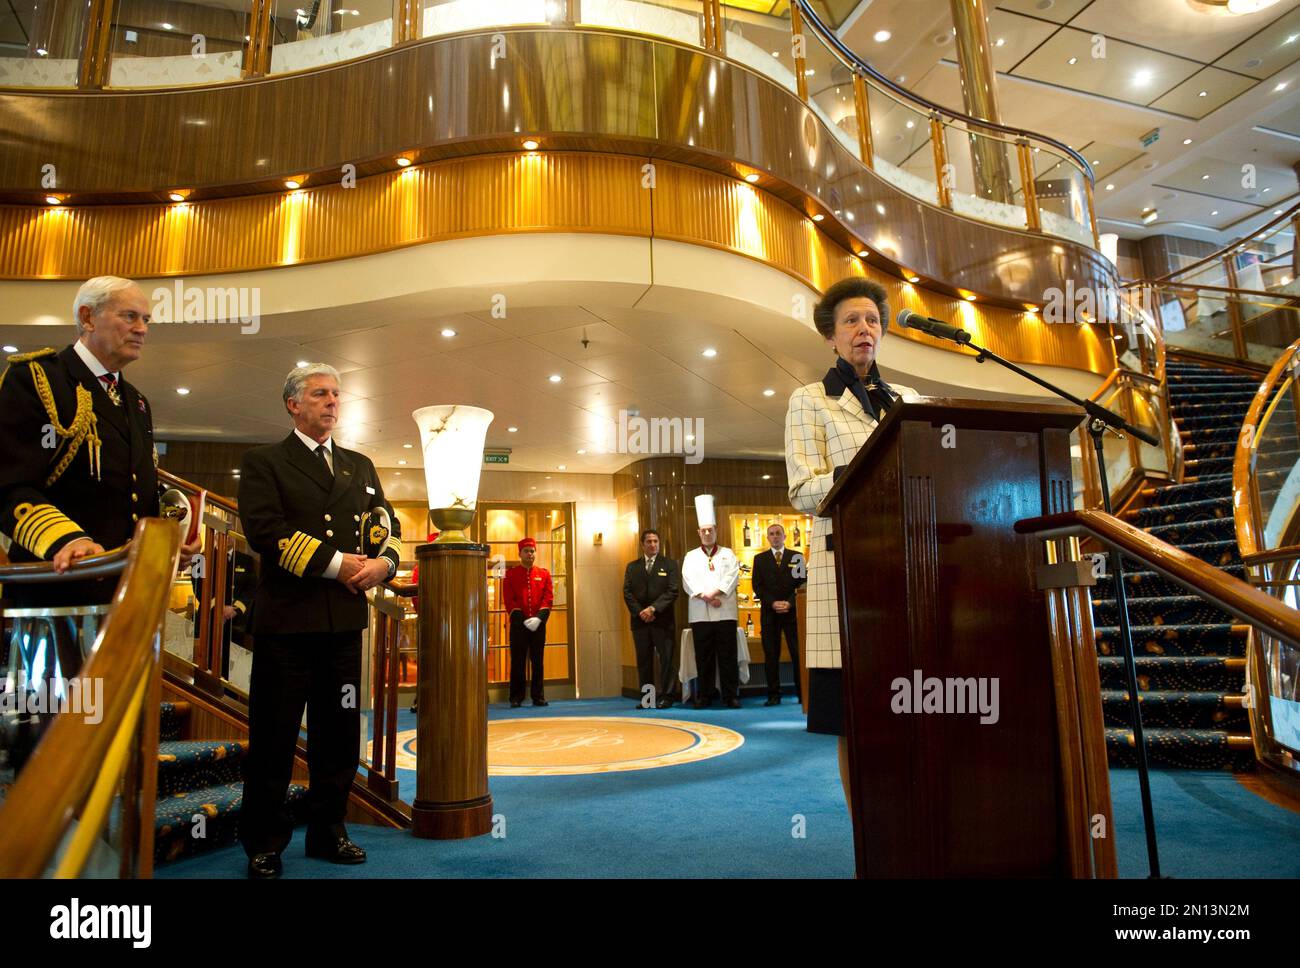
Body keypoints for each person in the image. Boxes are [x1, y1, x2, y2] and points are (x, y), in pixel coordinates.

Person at [236, 363, 401, 879]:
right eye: (319, 394)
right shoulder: (265, 461)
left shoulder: (359, 464)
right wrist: (339, 565)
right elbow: (265, 530)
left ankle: (329, 832)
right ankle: (264, 842)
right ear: (293, 404)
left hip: (343, 625)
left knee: (339, 737)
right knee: (274, 739)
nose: (332, 401)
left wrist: (384, 564)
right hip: (287, 625)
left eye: (336, 394)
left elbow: (388, 525)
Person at [785, 277, 916, 798]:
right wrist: (864, 472)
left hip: (906, 567)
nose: (865, 329)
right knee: (857, 722)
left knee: (906, 708)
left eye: (872, 320)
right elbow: (802, 491)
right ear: (831, 338)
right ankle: (869, 838)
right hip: (845, 576)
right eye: (851, 321)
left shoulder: (906, 399)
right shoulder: (809, 400)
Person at [0, 275, 200, 608]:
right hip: (58, 586)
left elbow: (135, 493)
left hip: (126, 592)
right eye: (130, 316)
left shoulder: (136, 401)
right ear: (88, 317)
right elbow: (9, 484)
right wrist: (66, 539)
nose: (142, 329)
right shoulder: (37, 378)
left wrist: (165, 546)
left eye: (146, 320)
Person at [680, 494, 741, 708]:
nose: (707, 533)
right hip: (700, 614)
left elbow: (731, 578)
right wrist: (706, 597)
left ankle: (730, 696)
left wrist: (715, 594)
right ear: (698, 533)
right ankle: (704, 696)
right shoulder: (691, 556)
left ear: (716, 531)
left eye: (710, 530)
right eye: (703, 530)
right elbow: (688, 580)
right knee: (703, 658)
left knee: (727, 657)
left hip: (725, 612)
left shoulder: (728, 554)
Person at [622, 528, 680, 709]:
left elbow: (673, 591)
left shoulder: (669, 565)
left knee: (667, 660)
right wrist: (641, 612)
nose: (653, 545)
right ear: (642, 545)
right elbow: (627, 592)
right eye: (649, 542)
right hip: (640, 622)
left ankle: (667, 696)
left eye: (656, 541)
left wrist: (653, 609)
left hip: (662, 620)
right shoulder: (632, 567)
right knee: (644, 661)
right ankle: (648, 698)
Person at [751, 522, 805, 706]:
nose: (775, 536)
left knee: (798, 653)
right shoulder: (759, 559)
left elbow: (801, 583)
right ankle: (774, 694)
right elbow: (757, 586)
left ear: (785, 536)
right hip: (769, 613)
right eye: (771, 534)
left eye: (778, 533)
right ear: (768, 538)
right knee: (771, 655)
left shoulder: (797, 557)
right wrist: (773, 603)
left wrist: (789, 602)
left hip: (792, 613)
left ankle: (802, 693)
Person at [502, 536, 553, 708]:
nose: (530, 554)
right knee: (518, 661)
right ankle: (516, 697)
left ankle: (538, 696)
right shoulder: (510, 575)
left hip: (538, 625)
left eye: (532, 551)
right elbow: (510, 600)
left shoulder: (544, 574)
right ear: (520, 553)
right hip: (519, 626)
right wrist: (523, 620)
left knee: (538, 662)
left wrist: (539, 618)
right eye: (526, 551)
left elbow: (548, 598)